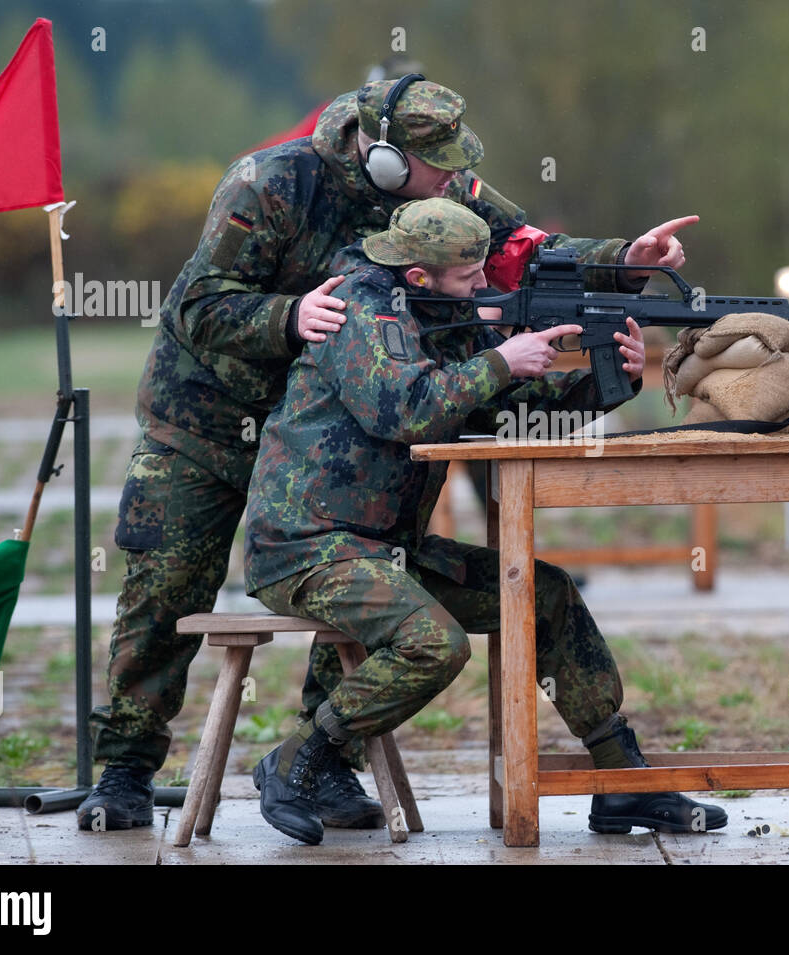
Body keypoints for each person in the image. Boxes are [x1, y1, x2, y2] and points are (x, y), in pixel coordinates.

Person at [81, 74, 699, 832]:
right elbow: (200, 304)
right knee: (167, 580)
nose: (458, 179)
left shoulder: (449, 210)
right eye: (438, 165)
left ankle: (328, 763)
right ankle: (126, 771)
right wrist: (291, 314)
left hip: (352, 449)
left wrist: (620, 270)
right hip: (211, 412)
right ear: (382, 160)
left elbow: (522, 253)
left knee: (391, 568)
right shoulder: (271, 185)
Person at [245, 198, 728, 845]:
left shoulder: (445, 318)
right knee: (436, 643)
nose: (484, 288)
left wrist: (604, 384)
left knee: (544, 593)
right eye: (471, 277)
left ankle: (621, 779)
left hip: (384, 548)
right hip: (305, 546)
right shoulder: (359, 308)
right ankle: (297, 758)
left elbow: (504, 409)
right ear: (420, 277)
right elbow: (404, 409)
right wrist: (505, 355)